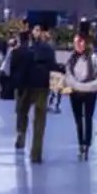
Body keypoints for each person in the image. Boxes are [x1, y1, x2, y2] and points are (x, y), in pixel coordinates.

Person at [14, 28, 60, 164]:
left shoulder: (30, 51)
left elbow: (24, 70)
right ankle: (36, 154)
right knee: (40, 121)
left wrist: (20, 87)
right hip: (43, 87)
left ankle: (21, 132)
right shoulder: (50, 52)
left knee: (22, 111)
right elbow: (54, 69)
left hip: (29, 85)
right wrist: (55, 89)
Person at [64, 34, 97, 161]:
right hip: (75, 92)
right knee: (78, 119)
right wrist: (76, 85)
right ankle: (80, 144)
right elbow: (68, 73)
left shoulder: (94, 58)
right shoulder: (72, 58)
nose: (77, 45)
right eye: (75, 42)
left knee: (88, 118)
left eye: (79, 42)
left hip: (90, 92)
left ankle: (86, 144)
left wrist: (87, 86)